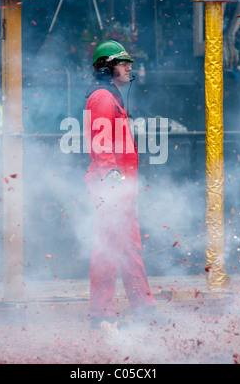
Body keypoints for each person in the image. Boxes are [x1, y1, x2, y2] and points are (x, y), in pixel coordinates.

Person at [84, 40, 156, 330]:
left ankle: (144, 308)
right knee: (109, 247)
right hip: (111, 184)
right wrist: (113, 178)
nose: (129, 67)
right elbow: (101, 146)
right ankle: (101, 313)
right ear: (106, 67)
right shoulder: (102, 97)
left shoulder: (110, 97)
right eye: (123, 62)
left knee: (128, 247)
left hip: (119, 185)